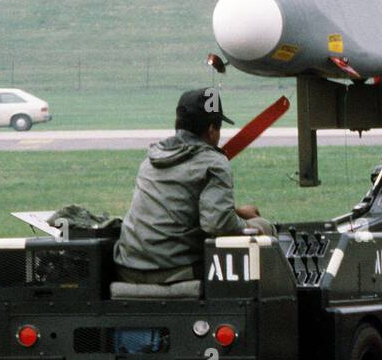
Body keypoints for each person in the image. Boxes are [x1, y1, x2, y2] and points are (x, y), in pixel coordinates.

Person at [113, 87, 274, 284]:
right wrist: (252, 226)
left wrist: (236, 212)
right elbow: (218, 224)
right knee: (264, 227)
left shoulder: (152, 158)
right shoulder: (213, 162)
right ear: (212, 130)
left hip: (128, 267)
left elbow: (176, 206)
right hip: (174, 268)